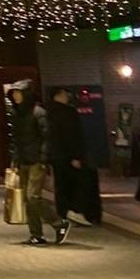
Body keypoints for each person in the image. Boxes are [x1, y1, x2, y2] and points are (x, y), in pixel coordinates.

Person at [9, 84, 70, 247]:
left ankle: (58, 223)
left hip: (36, 160)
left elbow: (46, 137)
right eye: (13, 93)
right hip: (24, 160)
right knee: (28, 199)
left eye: (18, 92)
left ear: (26, 94)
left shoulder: (38, 112)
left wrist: (44, 159)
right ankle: (36, 234)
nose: (15, 96)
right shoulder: (16, 113)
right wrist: (15, 158)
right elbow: (16, 139)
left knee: (32, 197)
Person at [47, 87, 90, 225]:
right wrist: (76, 156)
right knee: (75, 183)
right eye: (66, 94)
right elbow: (71, 135)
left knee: (60, 185)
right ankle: (75, 210)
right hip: (68, 156)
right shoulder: (67, 112)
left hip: (55, 155)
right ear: (59, 95)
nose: (68, 96)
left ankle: (62, 213)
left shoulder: (48, 112)